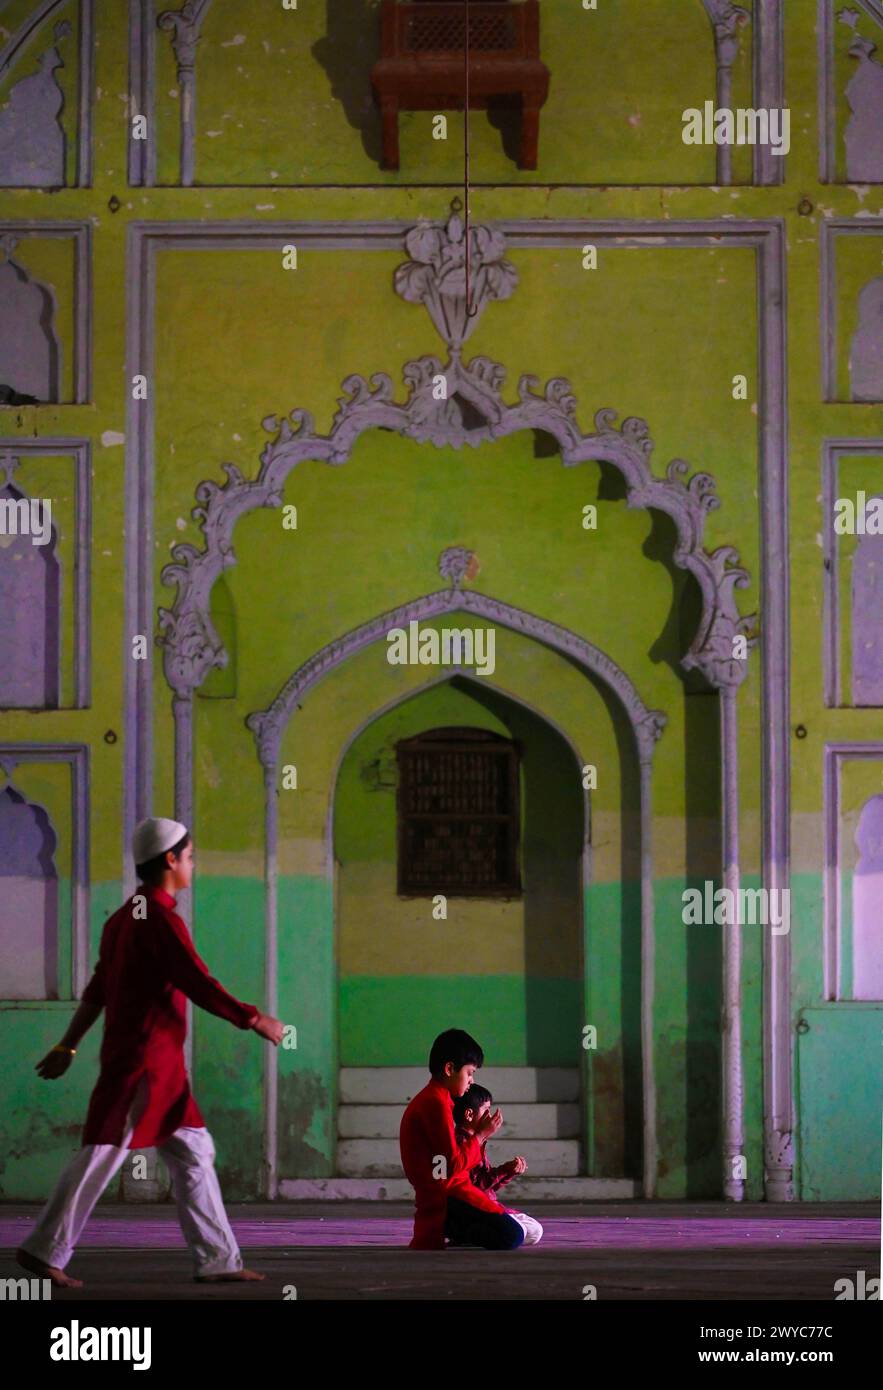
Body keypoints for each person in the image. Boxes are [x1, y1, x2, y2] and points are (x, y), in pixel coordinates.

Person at [16, 817, 285, 1287]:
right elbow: (197, 981)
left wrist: (68, 1044)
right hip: (144, 1065)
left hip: (157, 1066)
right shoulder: (157, 921)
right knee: (103, 1150)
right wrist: (254, 1018)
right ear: (170, 860)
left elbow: (97, 989)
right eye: (191, 856)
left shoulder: (124, 919)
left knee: (193, 1153)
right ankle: (45, 1249)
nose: (193, 864)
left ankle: (219, 1260)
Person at [399, 1027, 525, 1250]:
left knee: (516, 1229)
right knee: (512, 1234)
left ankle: (459, 1227)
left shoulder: (437, 1099)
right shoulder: (435, 1104)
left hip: (448, 1190)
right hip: (446, 1195)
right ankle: (456, 1228)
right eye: (469, 1073)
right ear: (449, 1069)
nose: (471, 1081)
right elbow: (451, 1166)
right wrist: (481, 1135)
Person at [453, 1083, 543, 1246]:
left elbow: (488, 1186)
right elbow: (477, 1186)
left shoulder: (477, 1140)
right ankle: (467, 1235)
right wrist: (503, 1170)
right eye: (485, 1110)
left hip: (486, 1202)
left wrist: (509, 1171)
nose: (490, 1115)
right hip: (472, 1207)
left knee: (534, 1230)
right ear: (469, 1114)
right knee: (522, 1232)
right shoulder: (463, 1141)